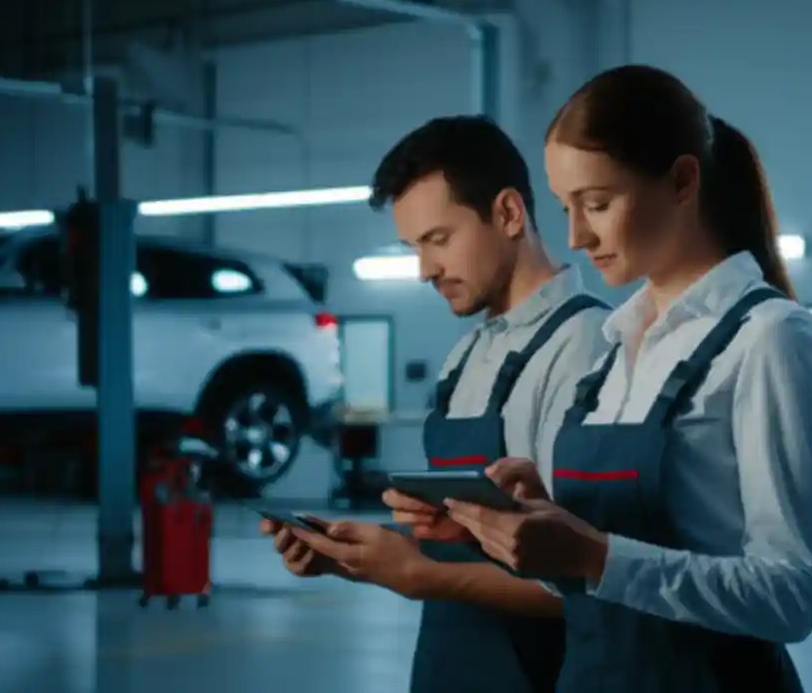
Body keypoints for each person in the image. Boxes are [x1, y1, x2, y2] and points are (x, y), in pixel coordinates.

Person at [439, 66, 812, 691]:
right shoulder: (613, 349)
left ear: (683, 182)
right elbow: (589, 576)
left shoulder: (770, 338)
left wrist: (596, 557)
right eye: (565, 207)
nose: (576, 236)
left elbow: (792, 594)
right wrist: (533, 524)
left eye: (597, 204)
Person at [260, 115, 610, 693]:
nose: (425, 270)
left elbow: (593, 581)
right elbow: (460, 546)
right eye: (413, 247)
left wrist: (419, 575)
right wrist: (362, 558)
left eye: (438, 240)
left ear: (508, 214)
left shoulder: (590, 347)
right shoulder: (464, 357)